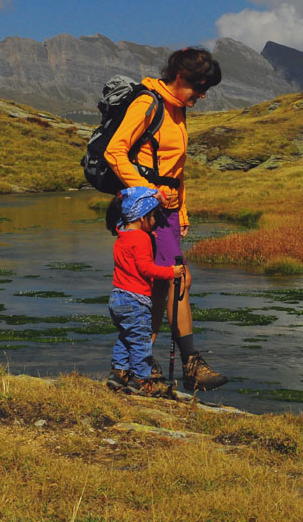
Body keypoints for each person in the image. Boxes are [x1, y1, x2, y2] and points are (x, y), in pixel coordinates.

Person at [103, 47, 228, 391]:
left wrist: (181, 208)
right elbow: (114, 151)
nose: (202, 96)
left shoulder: (177, 110)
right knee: (178, 279)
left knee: (161, 285)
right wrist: (146, 195)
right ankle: (189, 364)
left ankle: (132, 365)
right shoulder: (148, 103)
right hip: (148, 211)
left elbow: (176, 167)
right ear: (179, 78)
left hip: (167, 210)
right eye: (199, 88)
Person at [104, 186, 185, 396]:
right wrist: (171, 272)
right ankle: (141, 380)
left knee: (126, 336)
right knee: (141, 342)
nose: (156, 220)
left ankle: (119, 373)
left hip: (117, 298)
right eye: (153, 216)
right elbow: (145, 268)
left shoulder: (122, 234)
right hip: (135, 300)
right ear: (142, 218)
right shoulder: (141, 238)